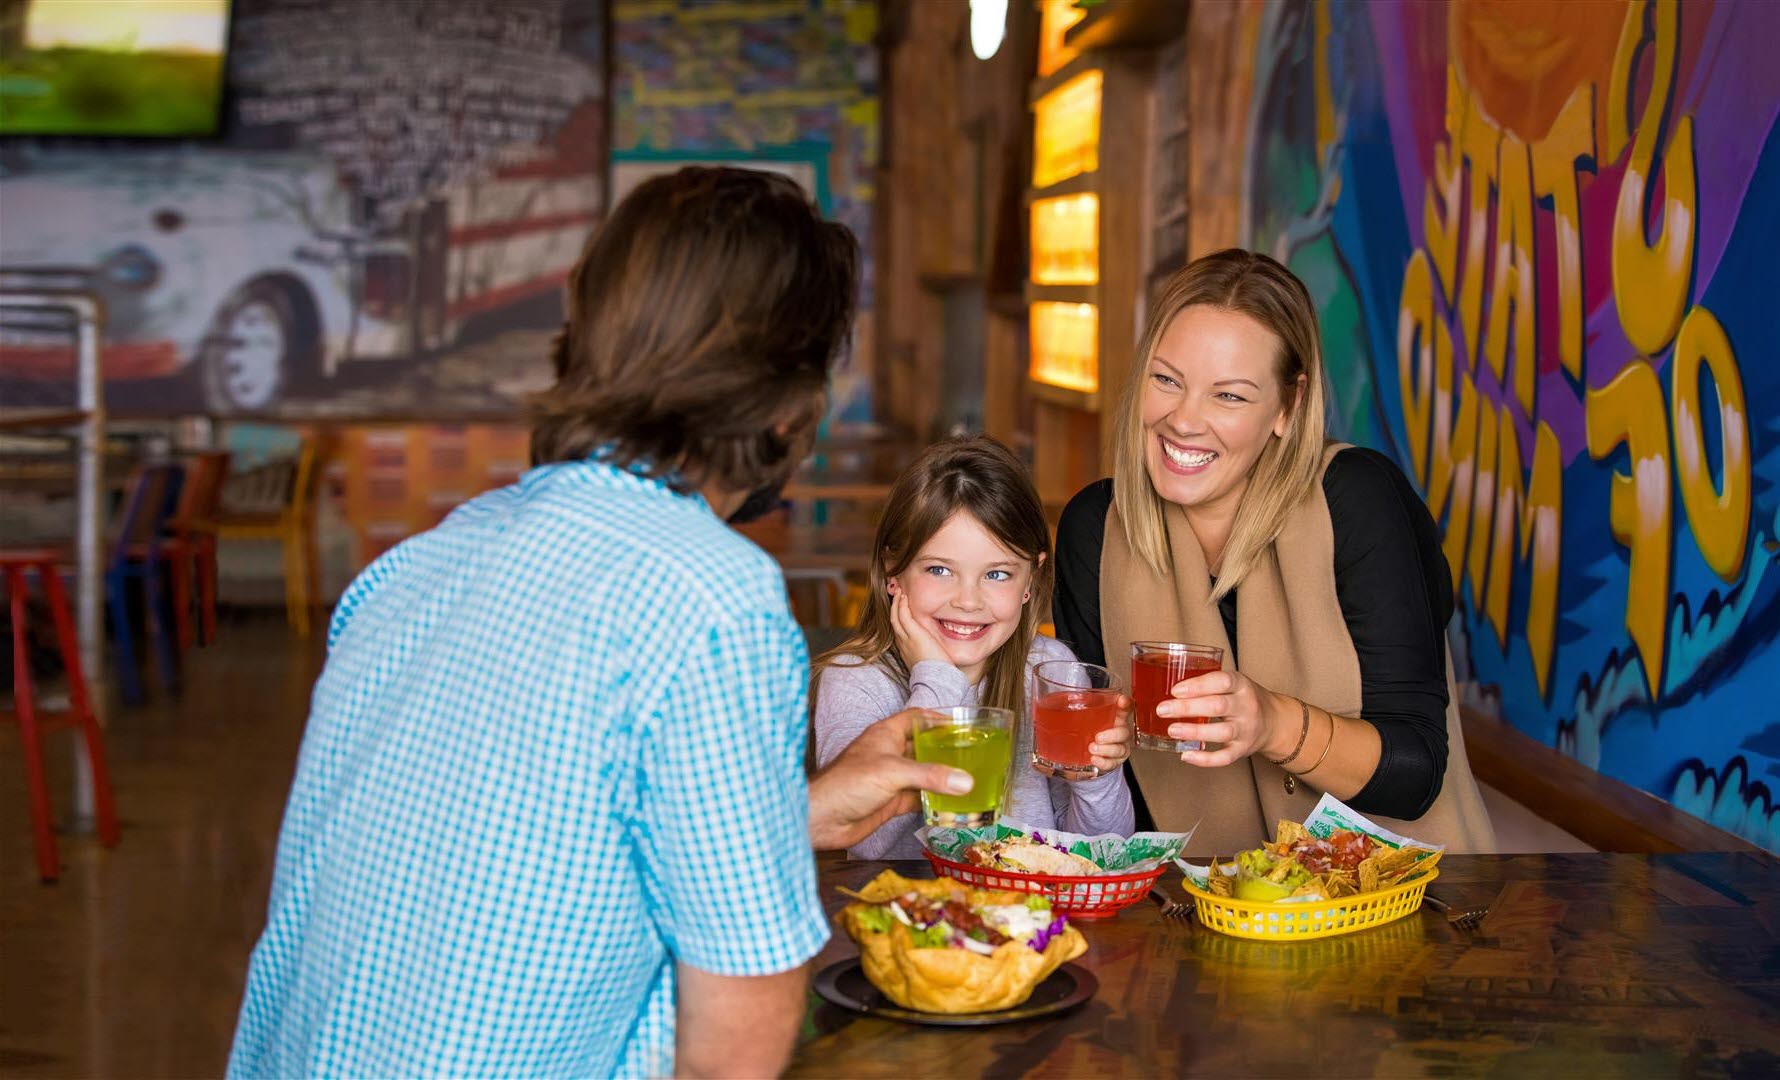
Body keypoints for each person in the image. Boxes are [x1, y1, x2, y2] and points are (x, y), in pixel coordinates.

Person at [227, 167, 969, 1080]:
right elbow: (736, 1031)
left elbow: (519, 849)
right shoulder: (710, 596)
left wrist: (801, 813)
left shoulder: (420, 561)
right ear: (788, 399)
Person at [1052, 248, 1496, 856]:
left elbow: (1415, 774)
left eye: (1228, 396)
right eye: (1166, 380)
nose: (1184, 420)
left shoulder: (1357, 500)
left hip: (1398, 911)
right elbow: (1112, 787)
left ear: (1287, 406)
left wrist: (1270, 721)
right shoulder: (1095, 529)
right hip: (1199, 910)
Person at [813, 435, 1134, 859]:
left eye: (997, 574)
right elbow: (864, 841)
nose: (968, 600)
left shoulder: (1050, 668)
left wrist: (1096, 775)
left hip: (1030, 916)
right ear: (894, 570)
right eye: (940, 569)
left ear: (1030, 581)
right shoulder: (856, 678)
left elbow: (1098, 854)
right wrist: (938, 680)